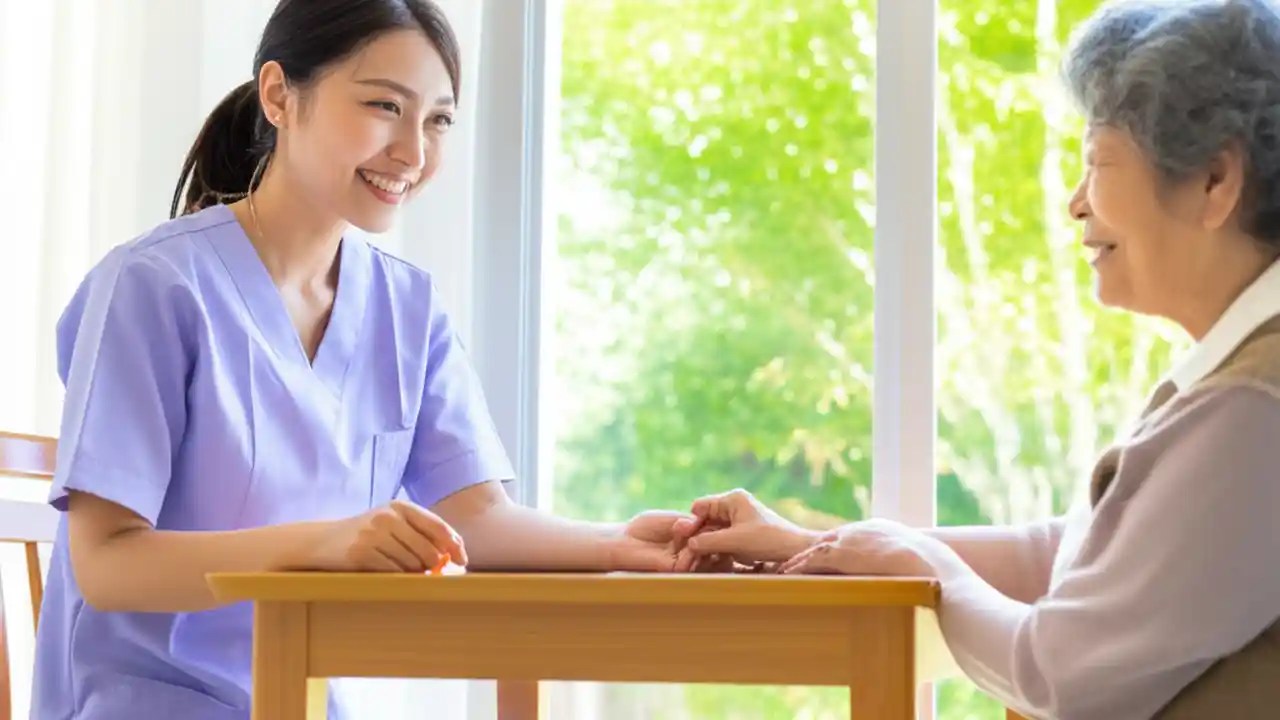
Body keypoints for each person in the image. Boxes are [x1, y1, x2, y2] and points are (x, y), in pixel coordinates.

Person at [31, 2, 691, 718]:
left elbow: (479, 520)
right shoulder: (153, 286)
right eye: (384, 106)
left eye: (438, 120)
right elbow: (109, 565)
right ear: (280, 96)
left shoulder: (408, 308)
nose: (413, 151)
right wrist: (330, 542)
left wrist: (621, 543)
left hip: (299, 699)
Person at [675, 1, 1280, 718]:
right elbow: (1087, 557)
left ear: (1216, 180)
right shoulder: (1240, 379)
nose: (1076, 204)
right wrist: (828, 545)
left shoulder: (1252, 406)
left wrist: (924, 565)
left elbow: (1061, 677)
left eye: (1097, 163)